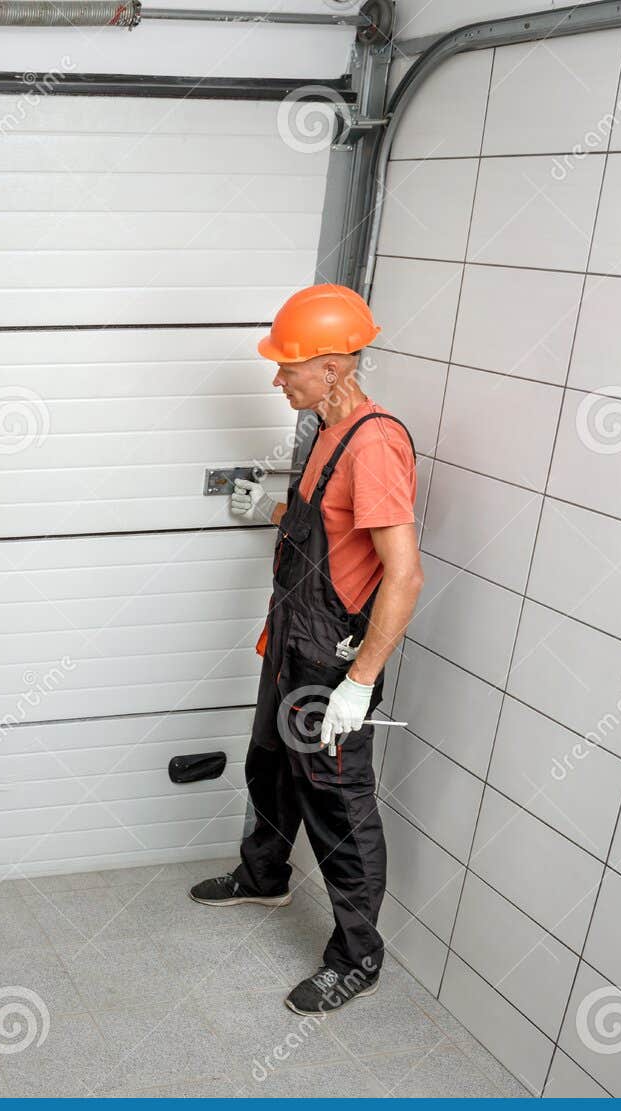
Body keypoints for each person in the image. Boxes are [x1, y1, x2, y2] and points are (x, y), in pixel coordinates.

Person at [189, 284, 424, 1018]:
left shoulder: (376, 442)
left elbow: (404, 572)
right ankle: (263, 875)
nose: (276, 378)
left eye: (288, 366)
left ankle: (358, 957)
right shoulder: (326, 427)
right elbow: (327, 526)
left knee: (338, 805)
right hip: (291, 639)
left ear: (331, 367)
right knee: (269, 762)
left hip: (330, 664)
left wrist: (359, 683)